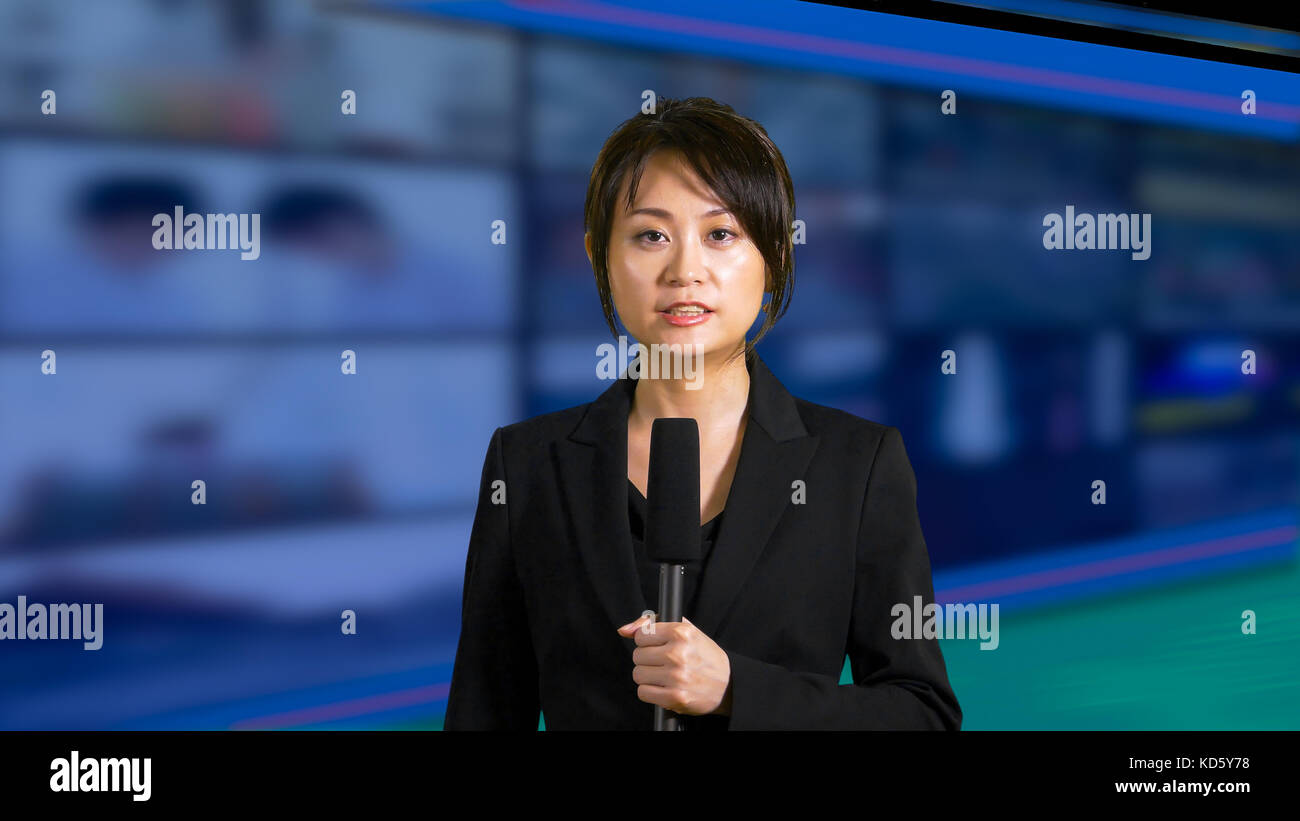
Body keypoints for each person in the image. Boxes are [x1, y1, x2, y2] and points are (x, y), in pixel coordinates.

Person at [444, 97, 961, 730]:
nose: (685, 270)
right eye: (650, 235)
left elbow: (922, 713)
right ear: (598, 254)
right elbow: (484, 711)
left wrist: (737, 689)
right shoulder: (526, 463)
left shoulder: (857, 464)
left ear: (772, 254)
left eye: (721, 234)